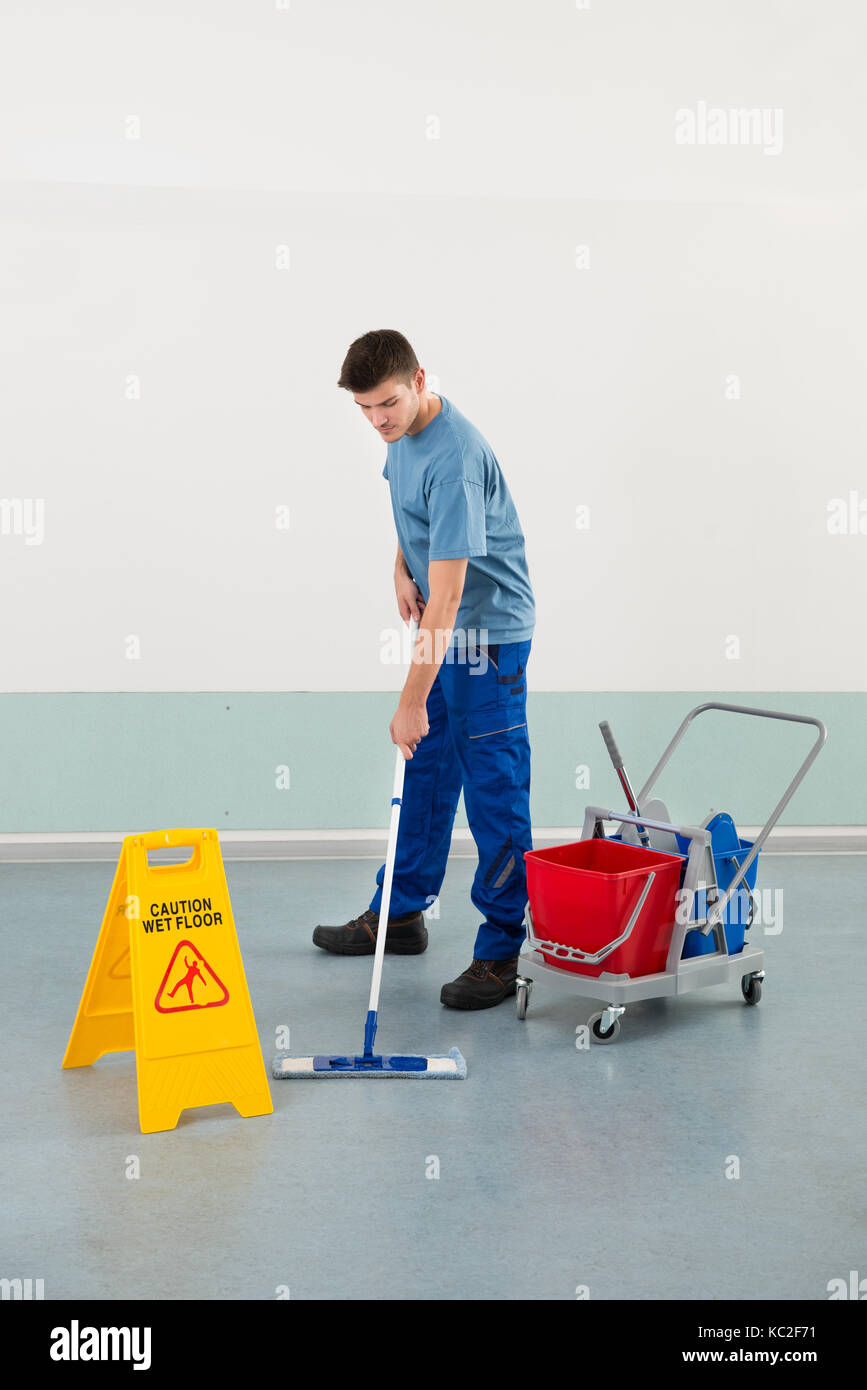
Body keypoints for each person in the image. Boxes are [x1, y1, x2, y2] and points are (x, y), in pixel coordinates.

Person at [313, 328, 536, 1009]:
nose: (377, 420)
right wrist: (398, 565)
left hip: (486, 639)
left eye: (386, 404)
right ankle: (401, 914)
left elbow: (448, 600)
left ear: (419, 380)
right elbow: (412, 519)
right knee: (426, 771)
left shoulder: (456, 457)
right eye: (364, 410)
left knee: (491, 786)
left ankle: (501, 950)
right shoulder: (401, 438)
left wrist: (410, 700)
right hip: (447, 628)